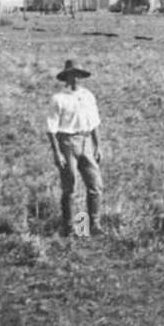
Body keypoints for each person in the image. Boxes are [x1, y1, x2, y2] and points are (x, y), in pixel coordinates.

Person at [45, 59, 104, 236]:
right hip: (67, 142)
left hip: (86, 141)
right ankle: (75, 228)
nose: (75, 79)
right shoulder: (58, 99)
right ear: (66, 77)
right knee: (71, 187)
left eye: (78, 75)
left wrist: (97, 145)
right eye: (72, 75)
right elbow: (51, 129)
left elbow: (94, 123)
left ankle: (94, 225)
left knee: (95, 185)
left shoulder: (88, 96)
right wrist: (57, 153)